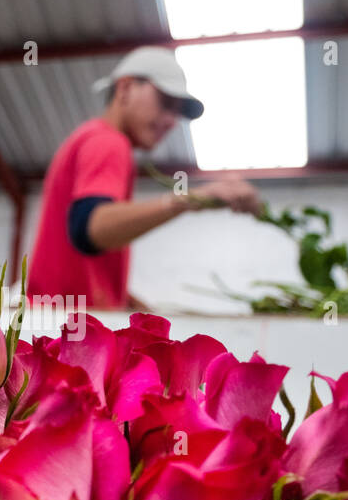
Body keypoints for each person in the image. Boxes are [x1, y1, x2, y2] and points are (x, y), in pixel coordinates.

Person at [26, 46, 263, 310]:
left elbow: (76, 251)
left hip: (54, 319)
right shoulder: (108, 142)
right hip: (68, 330)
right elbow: (89, 229)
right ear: (125, 88)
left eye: (177, 112)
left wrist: (127, 301)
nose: (172, 121)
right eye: (165, 103)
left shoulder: (88, 138)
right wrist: (192, 199)